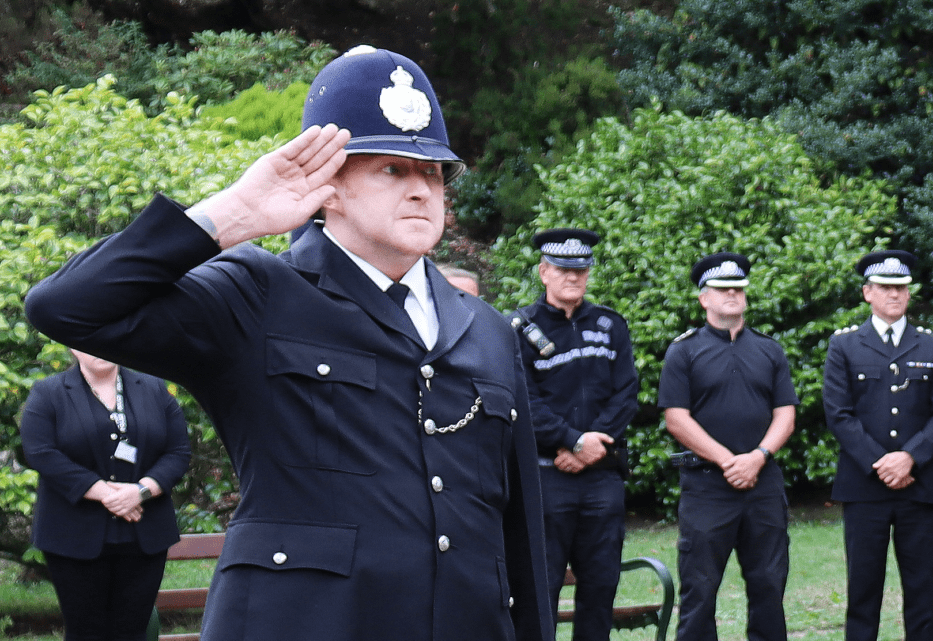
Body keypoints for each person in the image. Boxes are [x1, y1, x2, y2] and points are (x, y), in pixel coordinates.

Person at [25, 46, 552, 641]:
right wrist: (236, 214)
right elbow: (66, 306)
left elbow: (517, 527)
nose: (421, 190)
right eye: (392, 169)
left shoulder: (484, 327)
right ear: (329, 188)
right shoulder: (257, 293)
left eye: (432, 172)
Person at [657, 252, 799, 641]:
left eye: (738, 288)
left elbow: (785, 413)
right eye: (722, 289)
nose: (732, 294)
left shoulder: (770, 350)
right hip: (707, 488)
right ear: (704, 298)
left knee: (769, 586)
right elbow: (676, 418)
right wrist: (727, 461)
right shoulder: (683, 351)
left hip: (763, 485)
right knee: (700, 591)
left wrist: (757, 457)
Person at [509, 228, 638, 640]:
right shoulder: (518, 329)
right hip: (548, 479)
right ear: (544, 272)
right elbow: (524, 401)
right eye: (563, 270)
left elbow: (626, 393)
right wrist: (572, 440)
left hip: (601, 478)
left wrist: (591, 445)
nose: (573, 278)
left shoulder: (610, 325)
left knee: (600, 587)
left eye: (581, 270)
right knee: (540, 589)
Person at [822, 249, 933, 641]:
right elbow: (838, 413)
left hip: (918, 485)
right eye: (885, 287)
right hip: (864, 487)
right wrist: (882, 462)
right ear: (868, 293)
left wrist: (909, 458)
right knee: (863, 590)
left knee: (921, 589)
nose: (894, 294)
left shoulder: (931, 346)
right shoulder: (844, 345)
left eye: (901, 287)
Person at [20, 349, 190, 641]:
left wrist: (142, 491)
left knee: (133, 631)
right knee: (85, 632)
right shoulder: (48, 392)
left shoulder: (154, 389)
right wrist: (105, 494)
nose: (99, 348)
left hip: (145, 535)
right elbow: (40, 452)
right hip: (73, 536)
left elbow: (178, 452)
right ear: (72, 347)